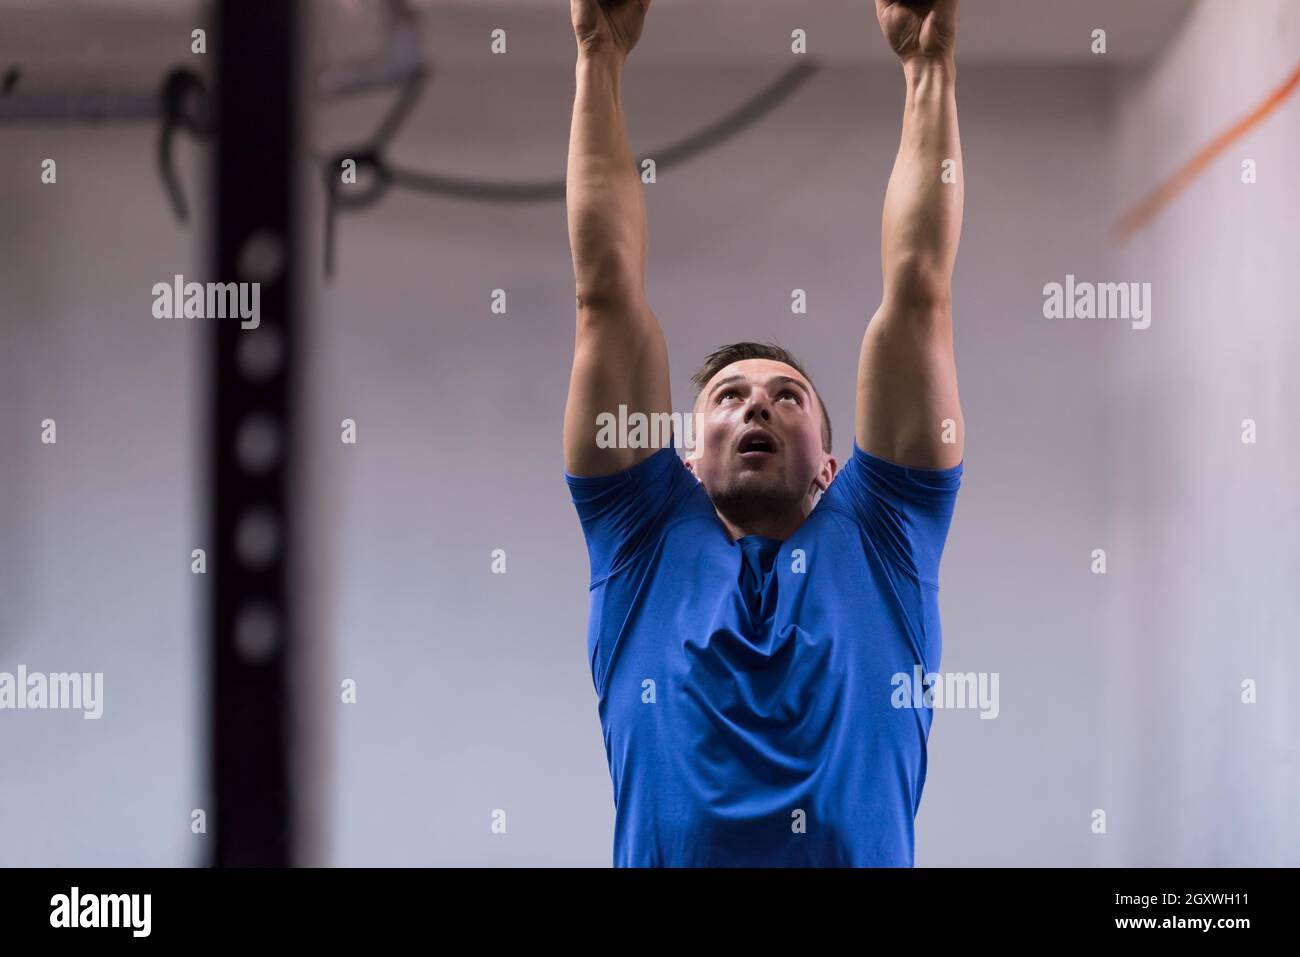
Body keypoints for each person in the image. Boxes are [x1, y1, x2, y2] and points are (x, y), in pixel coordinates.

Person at [563, 0, 965, 866]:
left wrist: (927, 69)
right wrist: (599, 53)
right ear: (684, 456)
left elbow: (919, 293)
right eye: (730, 396)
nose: (756, 405)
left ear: (830, 462)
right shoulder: (641, 536)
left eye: (787, 396)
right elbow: (605, 294)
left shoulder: (883, 533)